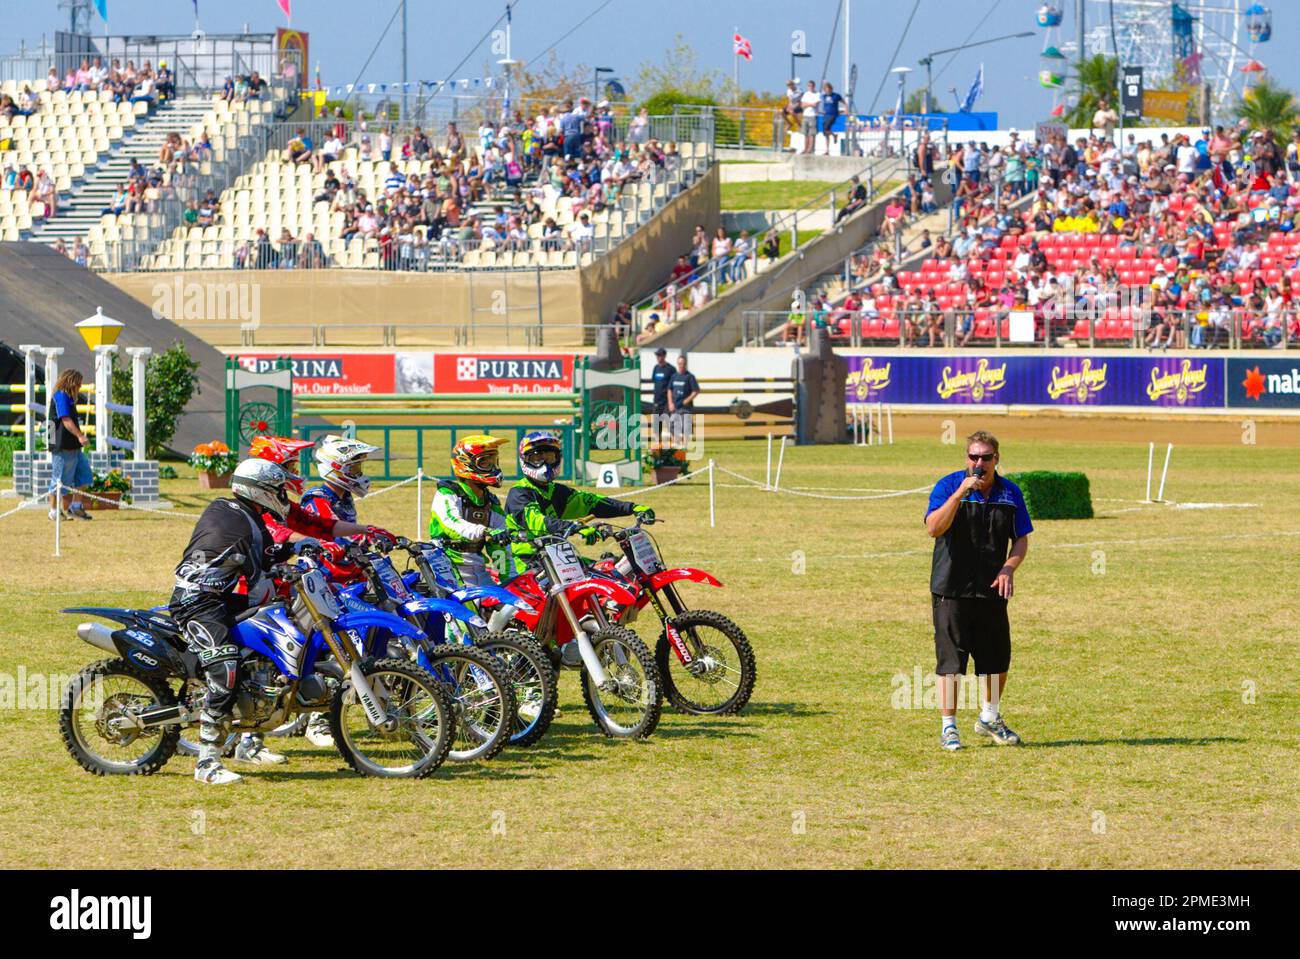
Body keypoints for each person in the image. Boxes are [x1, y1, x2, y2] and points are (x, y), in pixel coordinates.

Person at [241, 435, 395, 754]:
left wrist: (363, 531)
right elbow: (282, 533)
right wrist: (302, 543)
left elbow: (318, 525)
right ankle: (249, 737)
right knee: (260, 656)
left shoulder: (281, 499)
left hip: (286, 583)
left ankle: (308, 709)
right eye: (288, 466)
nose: (294, 471)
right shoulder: (253, 505)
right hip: (255, 586)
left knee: (316, 646)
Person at [170, 459, 299, 784]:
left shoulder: (242, 514)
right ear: (262, 491)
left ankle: (249, 742)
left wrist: (298, 548)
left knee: (263, 653)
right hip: (197, 603)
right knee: (225, 667)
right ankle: (207, 763)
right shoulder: (238, 521)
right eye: (278, 490)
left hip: (222, 597)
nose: (283, 496)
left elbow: (265, 555)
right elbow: (258, 573)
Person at [924, 431, 1032, 751]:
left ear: (997, 458)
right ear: (966, 458)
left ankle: (990, 717)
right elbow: (933, 527)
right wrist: (959, 494)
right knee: (951, 663)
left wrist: (1008, 568)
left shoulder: (1010, 494)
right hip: (950, 589)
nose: (979, 463)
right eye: (974, 457)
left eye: (986, 457)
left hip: (991, 589)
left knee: (996, 660)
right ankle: (949, 727)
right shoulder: (948, 486)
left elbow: (1022, 538)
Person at [505, 431, 653, 565]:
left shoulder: (556, 491)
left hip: (557, 557)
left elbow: (592, 502)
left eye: (549, 457)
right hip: (528, 563)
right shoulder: (519, 493)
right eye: (537, 457)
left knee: (610, 569)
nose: (544, 464)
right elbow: (537, 522)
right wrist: (573, 527)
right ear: (525, 459)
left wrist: (631, 508)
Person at [427, 435, 514, 585]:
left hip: (478, 569)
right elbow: (452, 524)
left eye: (494, 461)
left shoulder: (490, 502)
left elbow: (501, 548)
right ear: (465, 464)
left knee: (506, 605)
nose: (493, 468)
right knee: (468, 608)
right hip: (445, 568)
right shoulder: (447, 494)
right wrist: (483, 531)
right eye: (485, 462)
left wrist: (509, 580)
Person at [46, 369, 93, 521]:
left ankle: (76, 507)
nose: (79, 387)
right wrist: (80, 436)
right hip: (61, 445)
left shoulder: (69, 398)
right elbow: (65, 420)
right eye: (78, 384)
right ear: (71, 382)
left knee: (84, 476)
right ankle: (54, 511)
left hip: (73, 447)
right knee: (59, 480)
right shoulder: (60, 396)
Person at [667, 353, 700, 447]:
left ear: (685, 364)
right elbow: (669, 390)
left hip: (685, 408)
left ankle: (685, 447)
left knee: (685, 429)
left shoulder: (690, 377)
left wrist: (687, 400)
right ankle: (676, 447)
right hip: (675, 407)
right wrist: (670, 403)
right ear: (678, 364)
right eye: (680, 364)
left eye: (683, 364)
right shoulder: (674, 376)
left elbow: (696, 391)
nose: (681, 365)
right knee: (673, 428)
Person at [649, 346, 673, 443]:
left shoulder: (670, 369)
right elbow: (654, 381)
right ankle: (656, 445)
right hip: (657, 401)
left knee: (668, 423)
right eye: (657, 355)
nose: (658, 357)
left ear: (664, 356)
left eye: (660, 355)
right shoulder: (656, 368)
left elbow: (672, 386)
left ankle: (671, 445)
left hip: (667, 401)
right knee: (656, 424)